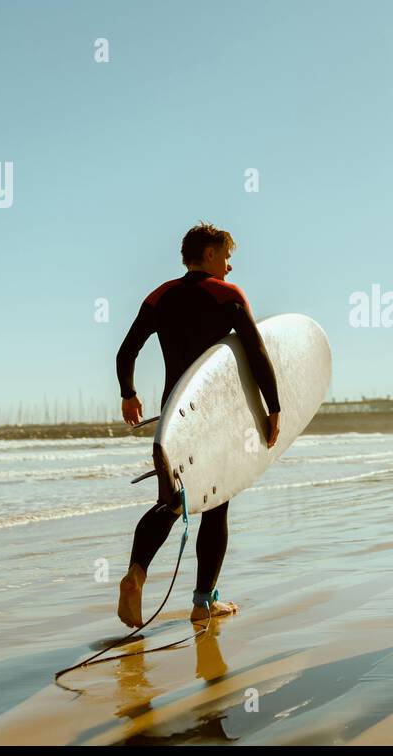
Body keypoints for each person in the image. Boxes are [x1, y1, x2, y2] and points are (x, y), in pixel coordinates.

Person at [114, 222, 281, 626]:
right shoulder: (226, 295)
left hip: (175, 416)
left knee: (172, 501)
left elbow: (125, 351)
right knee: (216, 505)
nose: (229, 266)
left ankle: (136, 573)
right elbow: (257, 354)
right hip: (214, 415)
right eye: (226, 256)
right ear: (208, 254)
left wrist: (129, 393)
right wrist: (273, 407)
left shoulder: (159, 296)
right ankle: (203, 601)